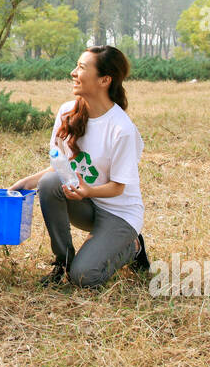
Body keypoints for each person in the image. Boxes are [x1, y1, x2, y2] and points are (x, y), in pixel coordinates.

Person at [9, 45, 148, 288]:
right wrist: (23, 184)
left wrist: (88, 191)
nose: (74, 72)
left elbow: (117, 187)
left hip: (119, 214)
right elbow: (59, 168)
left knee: (85, 277)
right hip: (86, 206)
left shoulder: (121, 129)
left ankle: (133, 247)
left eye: (82, 68)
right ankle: (63, 262)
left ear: (104, 80)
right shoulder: (67, 112)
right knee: (49, 183)